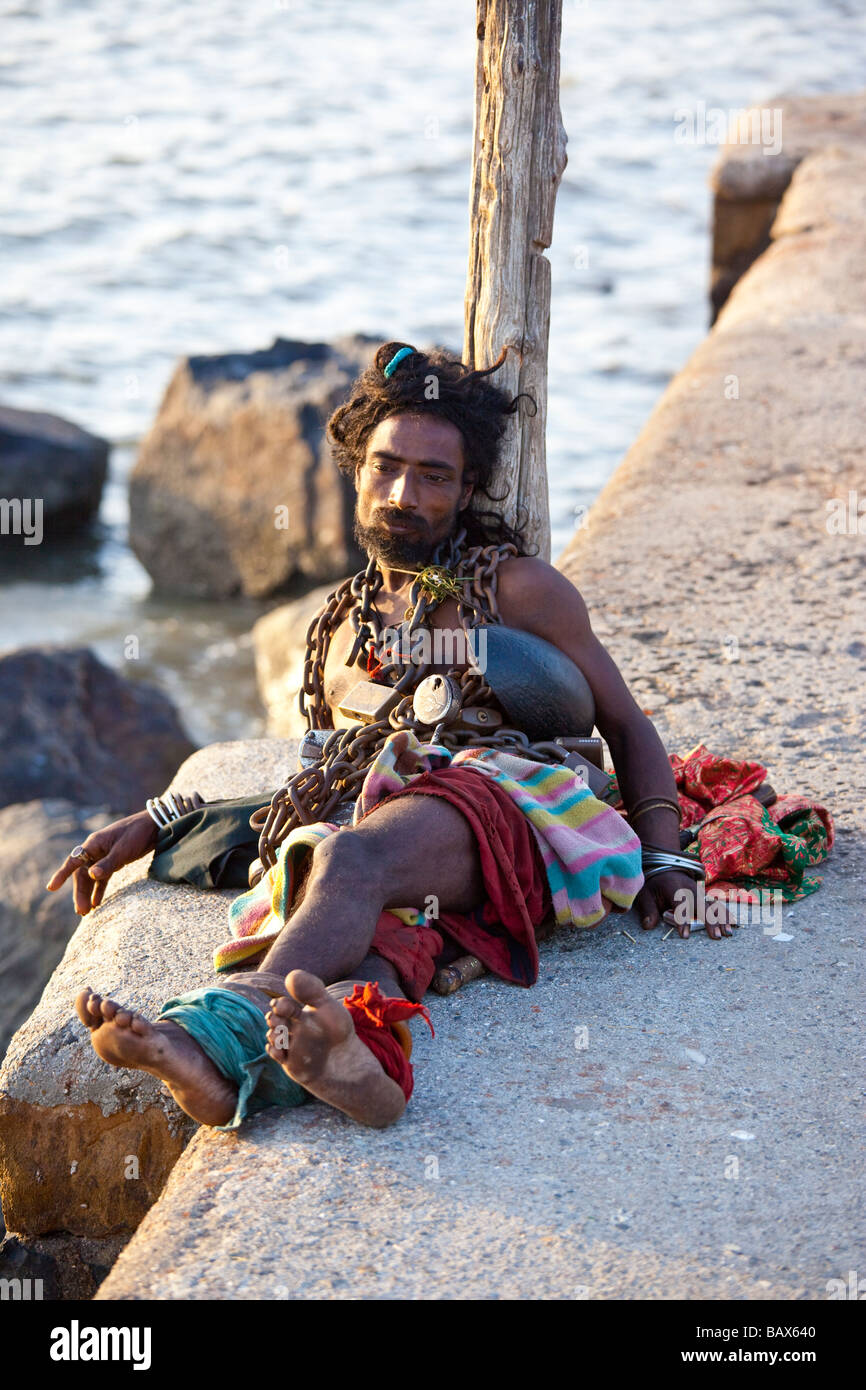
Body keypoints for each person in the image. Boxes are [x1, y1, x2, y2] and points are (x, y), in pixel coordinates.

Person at [46, 342, 729, 1133]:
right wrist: (165, 821)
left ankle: (214, 1028)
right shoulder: (341, 626)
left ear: (468, 486)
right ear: (356, 467)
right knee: (374, 924)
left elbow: (627, 724)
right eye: (387, 465)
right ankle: (357, 1069)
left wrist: (669, 855)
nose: (404, 492)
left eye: (434, 475)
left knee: (346, 857)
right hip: (408, 838)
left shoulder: (518, 590)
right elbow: (321, 782)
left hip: (519, 807)